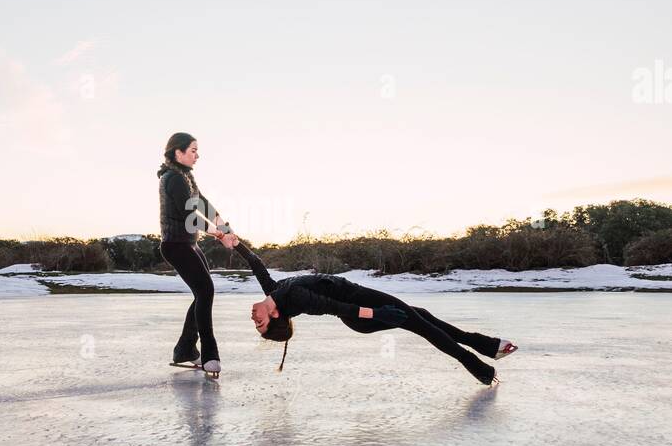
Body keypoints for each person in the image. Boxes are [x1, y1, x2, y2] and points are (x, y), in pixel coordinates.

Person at [216, 233, 518, 385]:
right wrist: (377, 314)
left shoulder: (274, 291)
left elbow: (256, 264)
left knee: (421, 317)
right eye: (260, 325)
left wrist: (234, 241)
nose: (253, 319)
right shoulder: (295, 299)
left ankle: (486, 346)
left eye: (256, 324)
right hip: (361, 311)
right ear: (275, 317)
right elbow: (336, 306)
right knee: (420, 324)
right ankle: (480, 366)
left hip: (362, 308)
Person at [158, 133, 234, 376]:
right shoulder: (173, 179)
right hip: (176, 245)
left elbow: (203, 204)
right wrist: (220, 235)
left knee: (203, 292)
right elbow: (190, 216)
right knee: (205, 291)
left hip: (189, 244)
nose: (197, 155)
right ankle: (210, 354)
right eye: (193, 150)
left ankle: (185, 349)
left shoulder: (186, 176)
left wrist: (226, 229)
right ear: (177, 153)